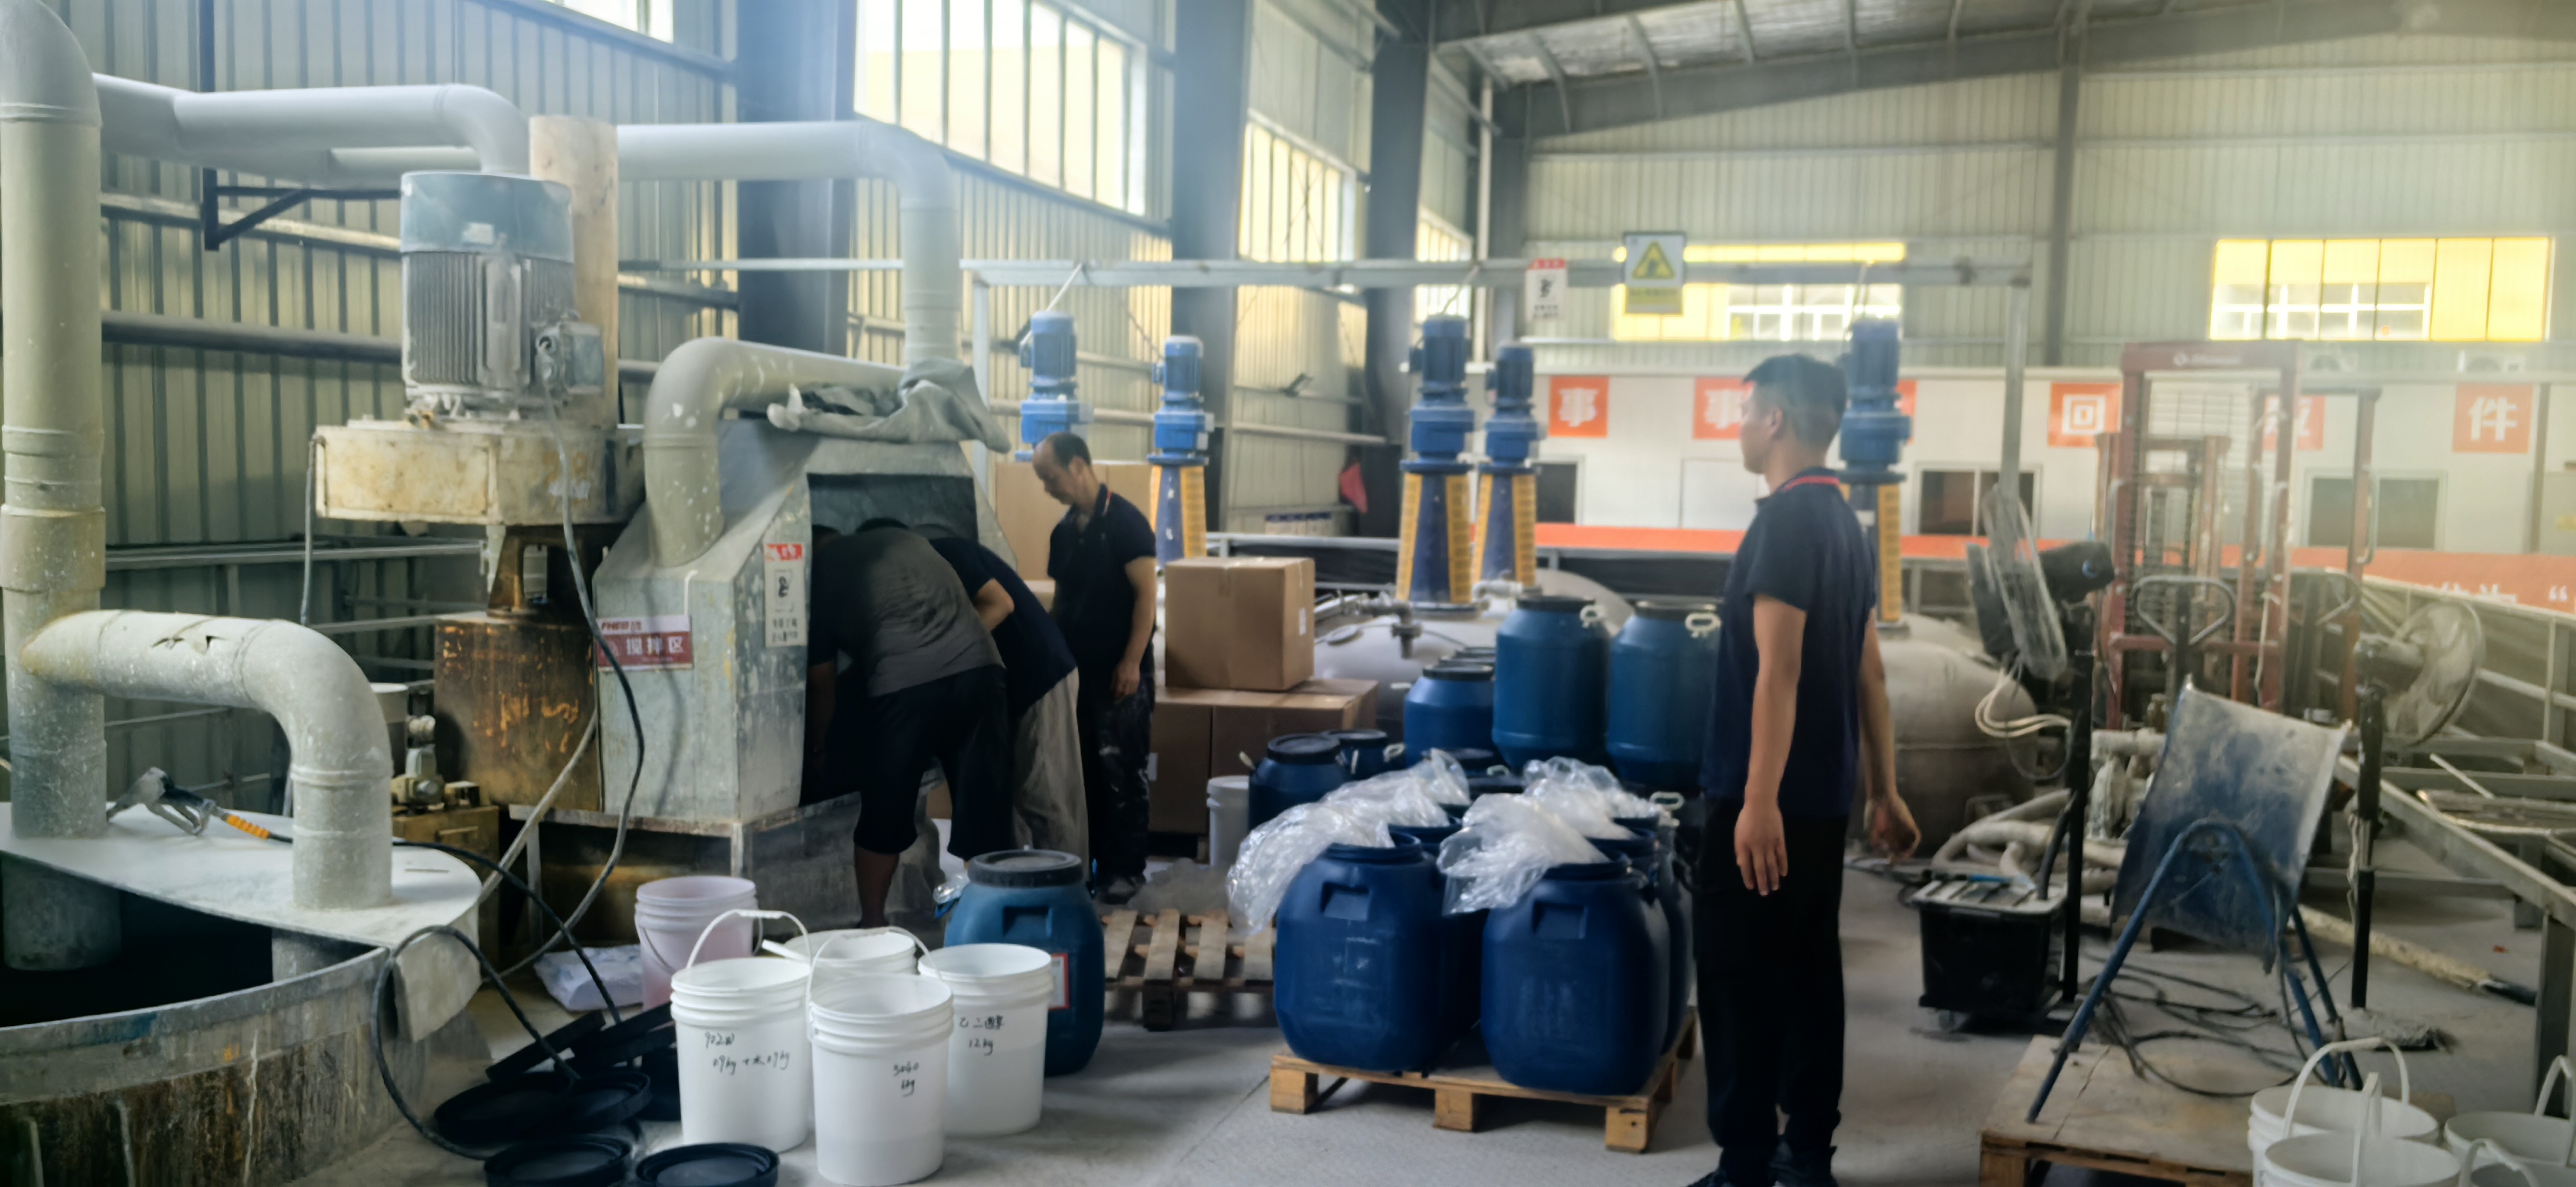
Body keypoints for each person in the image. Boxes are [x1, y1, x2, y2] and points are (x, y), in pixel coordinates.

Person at [1690, 355, 1919, 1187]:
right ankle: (1809, 1154)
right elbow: (1871, 674)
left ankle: (1746, 1165)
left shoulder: (1783, 525)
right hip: (1823, 802)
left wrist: (1756, 801)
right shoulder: (1846, 527)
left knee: (1739, 977)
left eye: (1746, 413)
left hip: (1767, 807)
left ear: (1776, 421)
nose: (1740, 428)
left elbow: (1777, 672)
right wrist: (1883, 790)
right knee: (1810, 971)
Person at [804, 520, 1016, 929]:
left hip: (904, 688)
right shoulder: (906, 540)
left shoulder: (822, 569)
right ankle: (990, 924)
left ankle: (872, 924)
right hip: (982, 672)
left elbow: (820, 681)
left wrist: (817, 749)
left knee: (885, 811)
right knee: (984, 809)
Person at [1030, 431, 1157, 903]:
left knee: (1121, 770)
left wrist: (1131, 662)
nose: (1048, 488)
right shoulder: (1064, 532)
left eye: (1051, 477)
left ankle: (1126, 870)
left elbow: (1147, 597)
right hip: (1077, 672)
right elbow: (1062, 601)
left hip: (1120, 673)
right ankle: (1092, 866)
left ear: (1079, 466)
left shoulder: (1126, 523)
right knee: (1082, 772)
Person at [919, 526, 1088, 860]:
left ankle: (1068, 887)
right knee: (1007, 803)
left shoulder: (945, 554)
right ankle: (1015, 885)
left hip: (1040, 677)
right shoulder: (922, 575)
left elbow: (1000, 604)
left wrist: (940, 657)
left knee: (1048, 800)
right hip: (1005, 689)